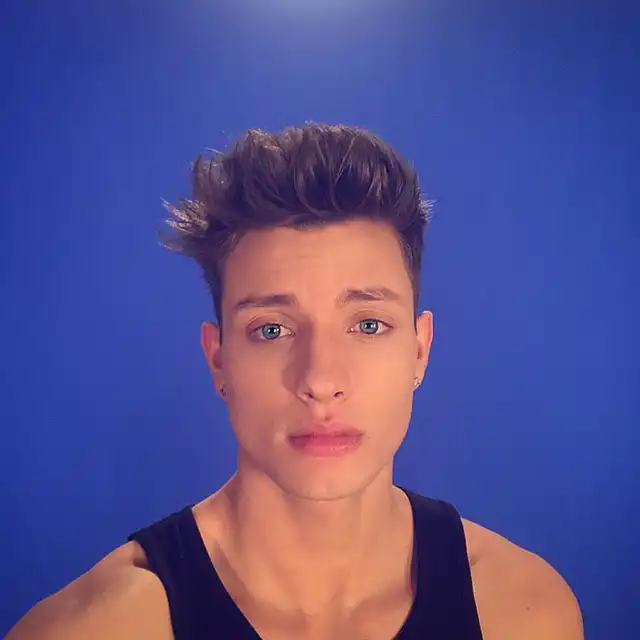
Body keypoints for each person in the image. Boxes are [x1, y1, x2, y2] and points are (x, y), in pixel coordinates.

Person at [6, 123, 583, 639]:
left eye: (368, 324)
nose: (321, 379)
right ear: (219, 361)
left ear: (419, 350)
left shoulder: (523, 612)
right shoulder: (95, 629)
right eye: (272, 329)